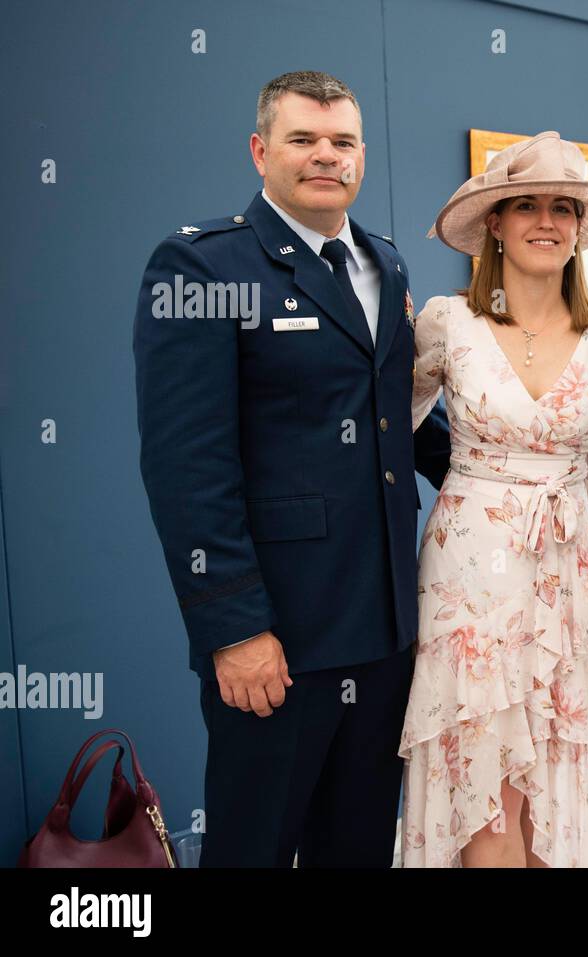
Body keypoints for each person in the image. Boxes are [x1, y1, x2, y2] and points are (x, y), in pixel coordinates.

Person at [133, 70, 450, 867]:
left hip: (383, 630)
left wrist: (510, 480)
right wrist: (233, 626)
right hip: (280, 636)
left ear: (362, 157)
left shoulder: (387, 265)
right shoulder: (202, 267)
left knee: (358, 847)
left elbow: (402, 421)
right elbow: (186, 465)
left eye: (342, 142)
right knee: (254, 847)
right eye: (302, 139)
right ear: (259, 150)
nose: (324, 156)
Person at [400, 131, 588, 868]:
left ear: (578, 227)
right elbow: (380, 429)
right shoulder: (446, 323)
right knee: (482, 772)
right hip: (468, 574)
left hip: (567, 572)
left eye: (563, 207)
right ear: (493, 224)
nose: (546, 220)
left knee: (556, 765)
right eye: (525, 204)